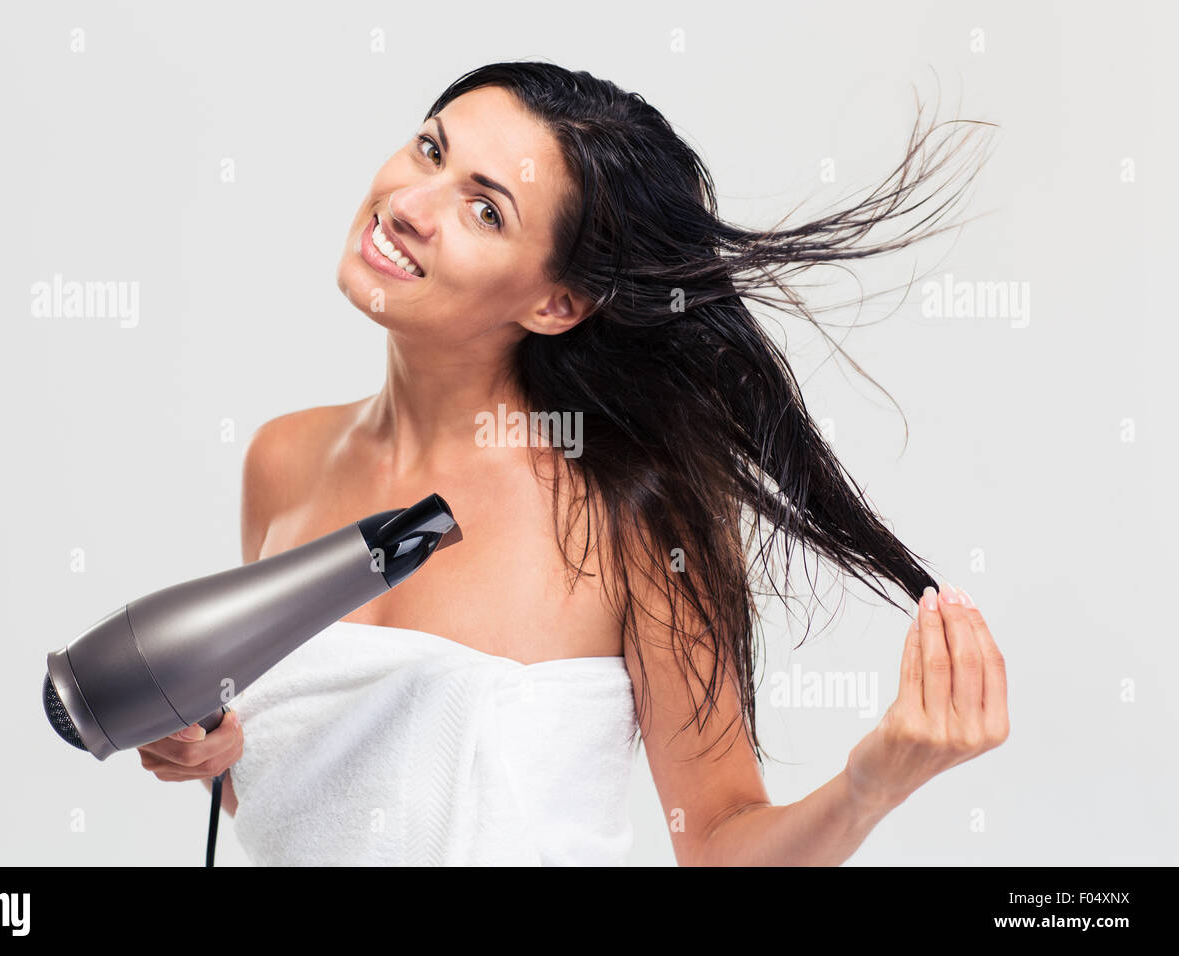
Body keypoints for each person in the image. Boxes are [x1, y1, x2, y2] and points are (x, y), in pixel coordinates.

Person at [136, 61, 1008, 865]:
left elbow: (716, 843)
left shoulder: (629, 513)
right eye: (431, 148)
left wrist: (872, 786)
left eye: (486, 209)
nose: (408, 202)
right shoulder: (281, 459)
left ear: (558, 302)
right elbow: (307, 796)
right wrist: (211, 751)